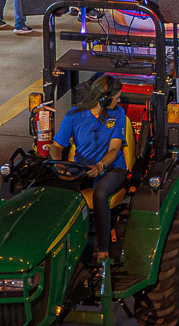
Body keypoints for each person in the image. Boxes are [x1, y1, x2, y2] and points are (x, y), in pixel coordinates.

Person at [53, 75, 130, 243]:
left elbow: (114, 149)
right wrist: (59, 164)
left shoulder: (117, 114)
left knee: (100, 193)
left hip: (111, 169)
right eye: (116, 98)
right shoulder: (74, 115)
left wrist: (101, 165)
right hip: (83, 168)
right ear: (103, 98)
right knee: (57, 189)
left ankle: (102, 250)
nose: (119, 101)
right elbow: (57, 146)